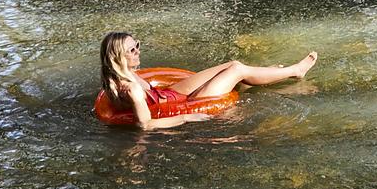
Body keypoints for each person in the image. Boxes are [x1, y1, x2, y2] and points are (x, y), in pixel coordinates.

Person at [99, 31, 317, 130]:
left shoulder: (120, 75)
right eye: (132, 49)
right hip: (174, 105)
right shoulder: (131, 89)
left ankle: (259, 75)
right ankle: (295, 71)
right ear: (119, 58)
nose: (138, 51)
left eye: (137, 45)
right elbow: (144, 124)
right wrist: (185, 118)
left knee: (231, 64)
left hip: (169, 94)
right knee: (237, 70)